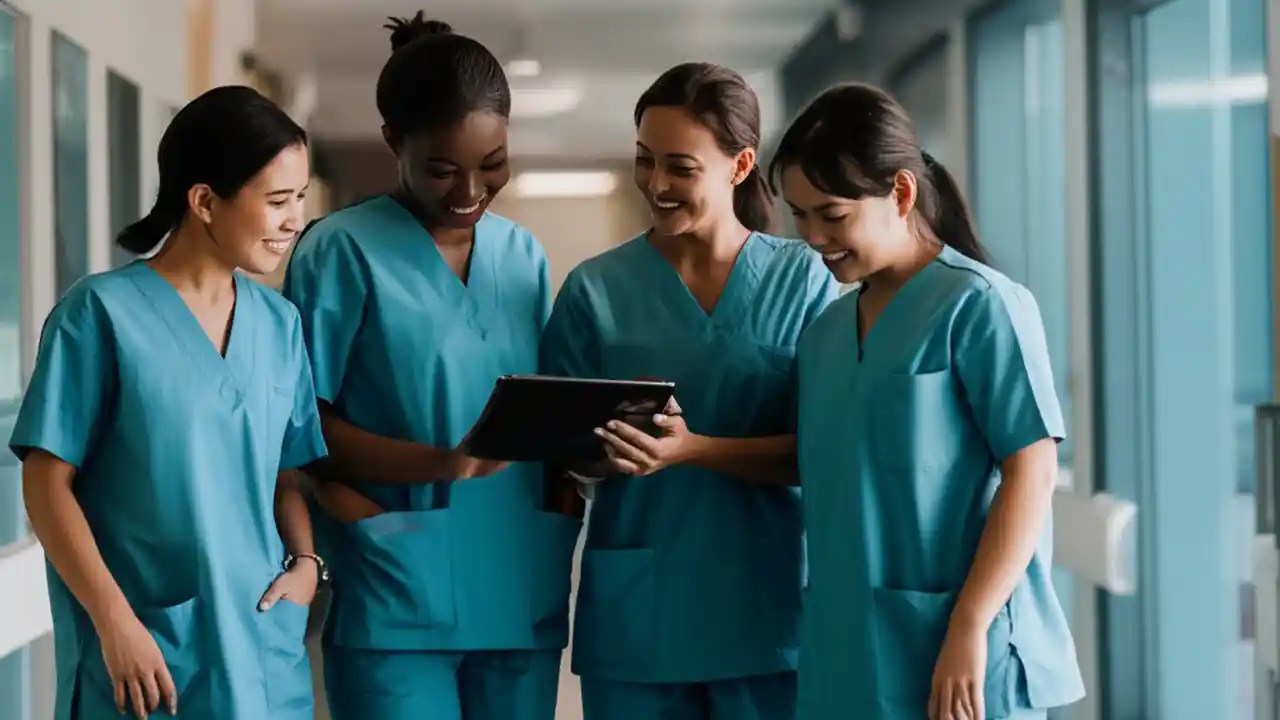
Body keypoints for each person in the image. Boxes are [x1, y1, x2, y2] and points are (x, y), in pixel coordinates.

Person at [280, 13, 581, 720]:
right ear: (395, 143)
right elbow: (299, 423)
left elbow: (541, 409)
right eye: (442, 169)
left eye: (493, 164)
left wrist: (565, 499)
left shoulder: (522, 257)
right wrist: (436, 466)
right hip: (396, 582)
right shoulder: (340, 251)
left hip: (516, 577)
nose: (470, 190)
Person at [10, 85, 327, 720]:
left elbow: (284, 469)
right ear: (206, 201)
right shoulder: (99, 315)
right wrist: (113, 621)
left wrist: (308, 563)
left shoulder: (279, 323)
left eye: (300, 198)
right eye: (277, 201)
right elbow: (47, 485)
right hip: (147, 654)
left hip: (261, 648)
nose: (296, 219)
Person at [772, 82, 1085, 720]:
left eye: (831, 214)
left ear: (902, 192)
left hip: (962, 647)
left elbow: (1032, 467)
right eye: (799, 216)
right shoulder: (827, 334)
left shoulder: (980, 305)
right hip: (845, 650)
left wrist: (970, 624)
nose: (812, 237)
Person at [540, 62, 840, 720]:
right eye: (645, 161)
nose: (656, 184)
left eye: (680, 167)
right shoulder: (596, 289)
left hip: (766, 615)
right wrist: (601, 448)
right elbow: (557, 461)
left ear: (740, 166)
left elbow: (830, 452)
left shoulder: (805, 282)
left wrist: (694, 448)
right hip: (638, 619)